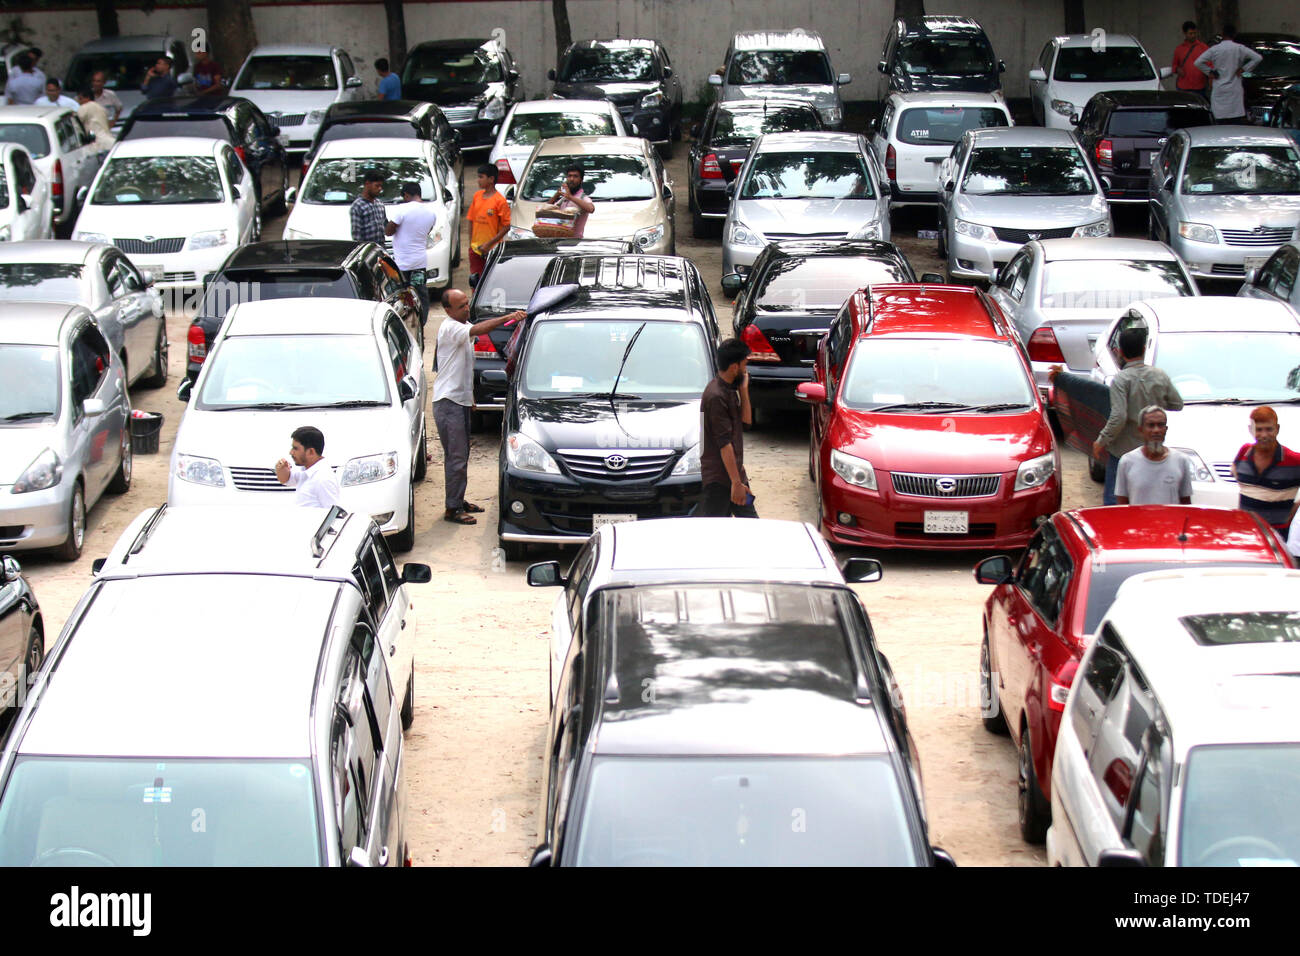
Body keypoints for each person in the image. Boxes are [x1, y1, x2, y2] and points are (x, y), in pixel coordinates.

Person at [432, 289, 524, 524]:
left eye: (467, 303)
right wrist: (508, 318)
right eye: (461, 306)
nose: (466, 308)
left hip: (459, 400)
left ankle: (458, 499)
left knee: (461, 455)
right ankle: (452, 508)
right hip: (448, 403)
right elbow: (480, 330)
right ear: (448, 310)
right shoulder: (451, 328)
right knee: (456, 457)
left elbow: (463, 368)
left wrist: (471, 397)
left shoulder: (461, 326)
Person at [1078, 327, 1183, 506]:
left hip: (1122, 451)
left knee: (1114, 501)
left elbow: (1119, 416)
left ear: (1120, 352)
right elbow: (1177, 404)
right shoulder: (1160, 376)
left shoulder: (1121, 380)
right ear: (1144, 349)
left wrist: (1101, 441)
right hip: (1152, 450)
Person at [698, 338, 757, 518]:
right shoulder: (716, 396)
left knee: (753, 527)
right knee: (716, 535)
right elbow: (725, 445)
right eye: (744, 365)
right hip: (720, 481)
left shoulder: (730, 389)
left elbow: (746, 423)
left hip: (735, 475)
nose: (746, 370)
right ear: (734, 367)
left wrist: (744, 391)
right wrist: (736, 483)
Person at [1231, 406, 1300, 532]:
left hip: (1277, 538)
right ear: (1250, 430)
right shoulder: (1243, 452)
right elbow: (1235, 474)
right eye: (1259, 429)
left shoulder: (1294, 460)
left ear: (1277, 429)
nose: (1264, 435)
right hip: (1246, 533)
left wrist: (1294, 510)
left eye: (1269, 429)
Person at [386, 181, 439, 333]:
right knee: (421, 294)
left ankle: (401, 326)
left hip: (401, 264)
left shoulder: (402, 209)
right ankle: (421, 325)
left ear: (406, 195)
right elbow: (427, 231)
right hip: (420, 262)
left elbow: (389, 231)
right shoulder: (431, 213)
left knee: (399, 295)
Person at [1115, 407, 1193, 505]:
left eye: (1161, 425)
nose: (1156, 430)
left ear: (1166, 429)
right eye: (1151, 425)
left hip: (1171, 520)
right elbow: (1122, 506)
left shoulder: (1181, 460)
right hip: (1138, 520)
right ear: (1140, 430)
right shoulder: (1127, 461)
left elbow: (1186, 504)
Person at [1194, 24, 1262, 123]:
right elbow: (1258, 58)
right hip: (1235, 89)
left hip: (1219, 89)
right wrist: (1243, 69)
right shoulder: (1239, 48)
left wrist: (1210, 72)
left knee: (1220, 122)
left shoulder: (1215, 49)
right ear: (1234, 35)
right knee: (1236, 122)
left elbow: (1198, 62)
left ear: (1222, 34)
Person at [466, 163, 511, 284]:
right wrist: (471, 244)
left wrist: (489, 244)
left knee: (490, 282)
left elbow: (506, 226)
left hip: (492, 250)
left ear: (491, 179)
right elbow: (471, 220)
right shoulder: (477, 196)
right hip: (476, 250)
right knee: (475, 281)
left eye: (481, 177)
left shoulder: (500, 201)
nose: (478, 180)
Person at [274, 426, 342, 507]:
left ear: (311, 451)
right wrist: (281, 469)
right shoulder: (305, 470)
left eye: (295, 449)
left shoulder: (323, 479)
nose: (291, 452)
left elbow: (332, 514)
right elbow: (286, 480)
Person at [550, 165, 594, 238]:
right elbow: (545, 209)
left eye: (575, 176)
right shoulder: (563, 198)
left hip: (575, 242)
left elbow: (591, 209)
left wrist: (570, 197)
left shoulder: (583, 198)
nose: (571, 179)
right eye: (569, 176)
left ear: (581, 180)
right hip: (559, 241)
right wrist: (556, 195)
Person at [1172, 21, 1209, 99]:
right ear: (1185, 34)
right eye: (1191, 33)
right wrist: (1177, 69)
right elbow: (1174, 65)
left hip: (1200, 87)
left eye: (1195, 33)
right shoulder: (1179, 49)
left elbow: (1210, 65)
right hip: (1183, 87)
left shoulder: (1203, 47)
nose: (1193, 36)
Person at [349, 168, 388, 244]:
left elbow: (386, 226)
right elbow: (357, 235)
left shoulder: (380, 204)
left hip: (381, 249)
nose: (380, 189)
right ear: (367, 184)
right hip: (367, 251)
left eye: (381, 186)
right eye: (377, 186)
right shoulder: (357, 206)